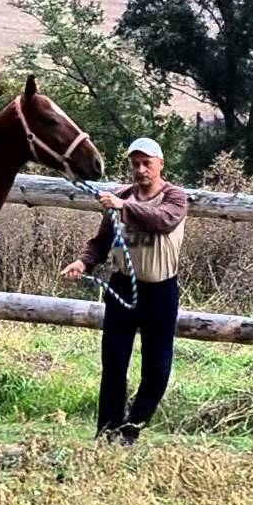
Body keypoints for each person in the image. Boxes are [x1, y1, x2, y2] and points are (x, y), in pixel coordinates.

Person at [60, 137, 186, 446]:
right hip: (122, 288)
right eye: (135, 163)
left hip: (160, 291)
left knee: (157, 368)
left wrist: (123, 205)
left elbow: (162, 221)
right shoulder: (120, 197)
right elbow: (101, 242)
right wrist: (83, 262)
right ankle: (107, 430)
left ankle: (133, 426)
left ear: (160, 164)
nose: (141, 169)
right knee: (114, 361)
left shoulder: (174, 197)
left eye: (147, 163)